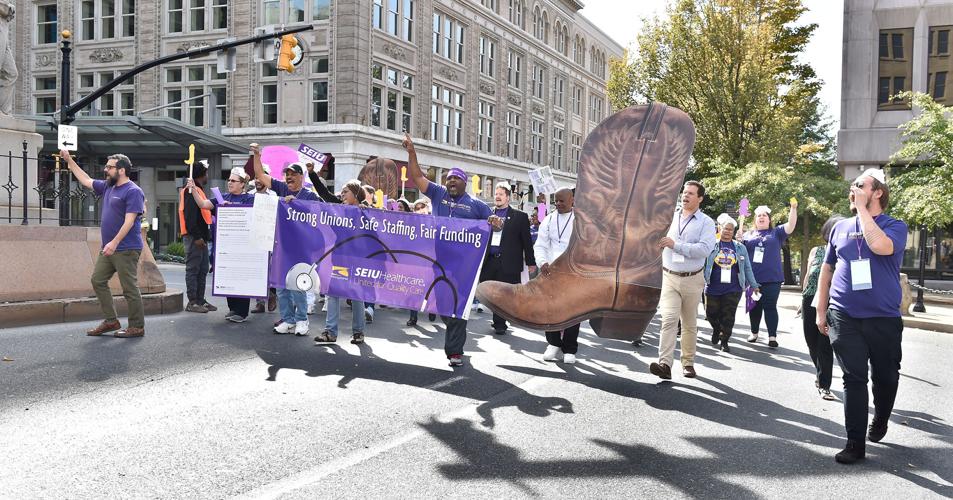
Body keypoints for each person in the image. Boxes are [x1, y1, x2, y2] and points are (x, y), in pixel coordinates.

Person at [815, 169, 907, 464]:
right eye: (853, 185)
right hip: (844, 314)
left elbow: (880, 246)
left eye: (860, 185)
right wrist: (821, 309)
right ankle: (854, 443)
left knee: (885, 376)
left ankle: (880, 418)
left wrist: (863, 211)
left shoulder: (895, 226)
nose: (852, 189)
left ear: (877, 192)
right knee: (853, 378)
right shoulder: (840, 227)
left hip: (883, 317)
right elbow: (827, 269)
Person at [402, 133, 494, 367]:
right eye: (449, 178)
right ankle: (454, 330)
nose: (451, 181)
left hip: (464, 267)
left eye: (456, 178)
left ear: (464, 183)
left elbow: (493, 222)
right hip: (438, 262)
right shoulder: (438, 194)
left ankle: (455, 351)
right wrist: (412, 152)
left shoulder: (477, 205)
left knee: (458, 307)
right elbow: (417, 177)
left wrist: (497, 222)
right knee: (443, 305)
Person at [60, 150, 146, 338]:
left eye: (109, 167)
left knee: (129, 288)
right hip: (109, 247)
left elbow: (129, 221)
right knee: (97, 280)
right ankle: (111, 321)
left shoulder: (133, 191)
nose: (106, 170)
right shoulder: (108, 187)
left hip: (126, 248)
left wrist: (114, 242)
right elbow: (86, 180)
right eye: (106, 166)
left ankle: (137, 326)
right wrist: (69, 160)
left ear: (121, 170)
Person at [649, 181, 716, 379]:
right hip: (669, 276)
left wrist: (676, 245)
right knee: (668, 320)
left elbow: (705, 249)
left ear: (700, 198)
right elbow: (655, 237)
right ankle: (665, 364)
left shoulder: (706, 222)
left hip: (692, 279)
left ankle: (688, 363)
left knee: (688, 323)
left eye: (691, 193)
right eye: (684, 192)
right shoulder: (669, 217)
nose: (685, 196)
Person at [251, 144, 320, 336]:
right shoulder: (281, 188)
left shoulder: (309, 195)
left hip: (301, 249)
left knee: (297, 286)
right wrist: (256, 155)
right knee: (281, 287)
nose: (288, 177)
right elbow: (260, 174)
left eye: (293, 174)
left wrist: (298, 205)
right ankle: (288, 320)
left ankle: (302, 320)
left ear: (301, 177)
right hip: (281, 247)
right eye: (287, 174)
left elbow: (321, 215)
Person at [185, 167, 256, 322]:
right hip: (226, 245)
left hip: (243, 246)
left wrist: (233, 208)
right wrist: (193, 189)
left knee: (241, 278)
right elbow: (203, 204)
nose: (230, 183)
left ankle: (242, 312)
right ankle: (233, 309)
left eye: (233, 180)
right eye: (229, 180)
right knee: (229, 276)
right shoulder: (222, 197)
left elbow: (254, 216)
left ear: (242, 184)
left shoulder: (250, 199)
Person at [314, 180, 369, 344]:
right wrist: (312, 174)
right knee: (333, 292)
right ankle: (330, 332)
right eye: (342, 192)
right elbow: (324, 193)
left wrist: (366, 211)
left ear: (356, 194)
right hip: (340, 260)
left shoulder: (366, 211)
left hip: (357, 261)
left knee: (357, 295)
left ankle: (358, 332)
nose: (342, 194)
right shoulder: (339, 208)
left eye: (346, 191)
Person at [479, 182, 537, 335]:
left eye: (501, 194)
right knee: (490, 292)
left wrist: (531, 262)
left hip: (508, 262)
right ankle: (498, 316)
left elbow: (526, 242)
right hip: (489, 261)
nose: (497, 197)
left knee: (503, 293)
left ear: (508, 198)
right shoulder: (486, 215)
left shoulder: (520, 217)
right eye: (496, 194)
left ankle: (500, 322)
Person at [741, 201, 797, 348]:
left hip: (772, 279)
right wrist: (738, 239)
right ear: (755, 220)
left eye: (764, 215)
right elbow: (739, 252)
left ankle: (772, 336)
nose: (761, 217)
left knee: (770, 306)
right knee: (754, 307)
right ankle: (754, 333)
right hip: (752, 279)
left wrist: (793, 208)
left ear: (769, 219)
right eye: (759, 215)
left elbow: (791, 225)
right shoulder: (747, 235)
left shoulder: (777, 232)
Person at [802, 215, 844, 401]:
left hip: (833, 301)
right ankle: (820, 373)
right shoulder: (816, 251)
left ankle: (824, 384)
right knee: (811, 341)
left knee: (824, 344)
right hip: (810, 298)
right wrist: (802, 298)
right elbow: (808, 275)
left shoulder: (847, 253)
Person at [703, 214, 759, 353]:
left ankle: (724, 340)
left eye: (731, 229)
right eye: (726, 228)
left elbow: (747, 268)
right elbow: (703, 264)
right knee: (710, 314)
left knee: (728, 316)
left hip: (733, 288)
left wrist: (754, 285)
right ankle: (716, 329)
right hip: (712, 286)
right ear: (719, 228)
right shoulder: (711, 245)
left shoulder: (740, 248)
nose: (728, 231)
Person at [536, 188, 580, 364]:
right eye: (556, 201)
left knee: (573, 311)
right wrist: (542, 262)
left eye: (562, 201)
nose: (558, 204)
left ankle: (569, 348)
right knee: (550, 310)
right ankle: (553, 343)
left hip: (573, 272)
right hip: (551, 271)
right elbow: (540, 244)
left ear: (572, 200)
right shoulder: (548, 219)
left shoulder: (580, 220)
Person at [179, 160, 215, 314]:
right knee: (193, 269)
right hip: (195, 237)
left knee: (202, 269)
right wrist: (198, 236)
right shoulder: (190, 191)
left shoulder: (198, 190)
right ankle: (192, 302)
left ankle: (200, 300)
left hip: (200, 237)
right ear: (201, 174)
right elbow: (190, 217)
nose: (207, 176)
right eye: (206, 173)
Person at [249, 164, 278, 315]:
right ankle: (259, 302)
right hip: (254, 237)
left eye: (261, 178)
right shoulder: (249, 195)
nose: (258, 181)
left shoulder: (274, 195)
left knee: (271, 269)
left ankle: (272, 294)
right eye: (256, 178)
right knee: (257, 269)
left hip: (270, 237)